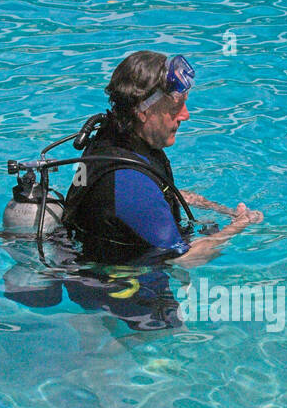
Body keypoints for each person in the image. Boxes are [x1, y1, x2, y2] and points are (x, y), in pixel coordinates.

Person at [61, 50, 263, 266]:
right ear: (143, 112)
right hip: (124, 294)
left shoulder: (114, 141)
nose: (185, 115)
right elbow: (185, 259)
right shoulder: (129, 181)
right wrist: (240, 225)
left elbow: (161, 193)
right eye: (176, 106)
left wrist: (221, 209)